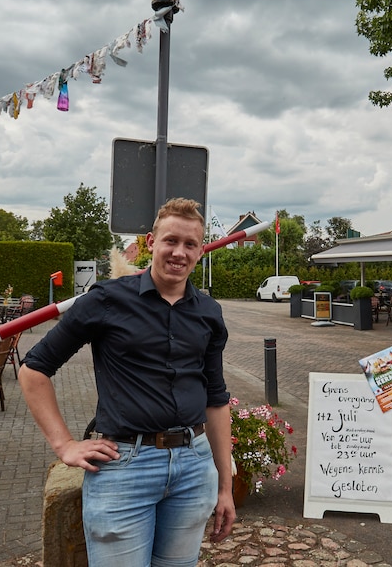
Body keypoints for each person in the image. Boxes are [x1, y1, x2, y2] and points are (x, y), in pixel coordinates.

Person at [19, 198, 235, 566]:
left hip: (193, 465)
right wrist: (64, 444)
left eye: (190, 244)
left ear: (201, 251)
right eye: (171, 241)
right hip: (126, 467)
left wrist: (225, 487)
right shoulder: (106, 300)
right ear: (151, 242)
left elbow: (216, 398)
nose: (179, 252)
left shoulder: (208, 313)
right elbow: (34, 369)